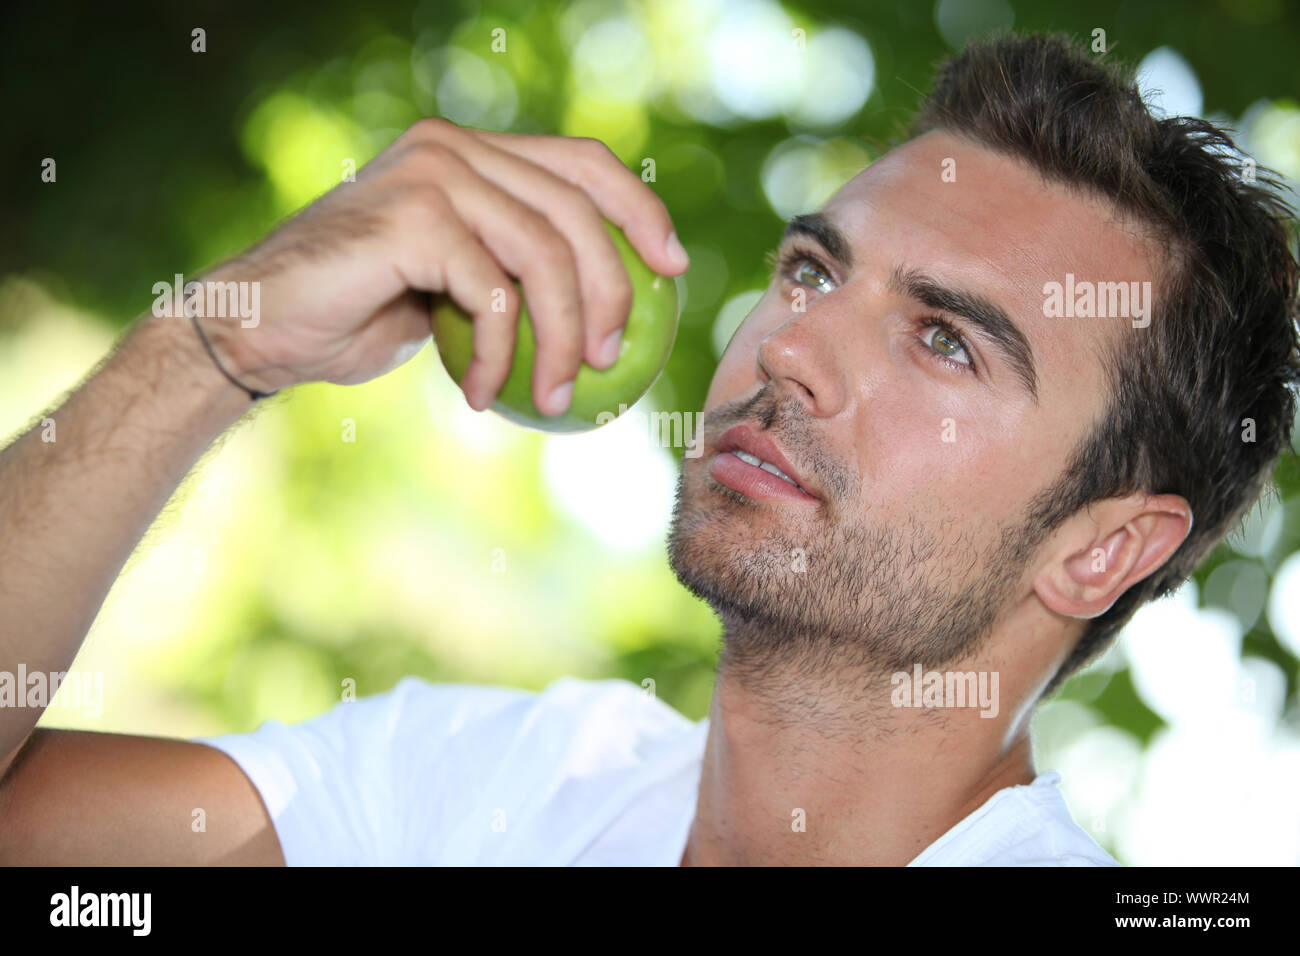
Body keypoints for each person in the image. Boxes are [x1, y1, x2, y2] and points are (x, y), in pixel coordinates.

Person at [1, 32, 1296, 866]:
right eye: (810, 271)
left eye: (947, 343)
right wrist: (219, 351)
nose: (788, 351)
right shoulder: (485, 788)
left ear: (1103, 549)